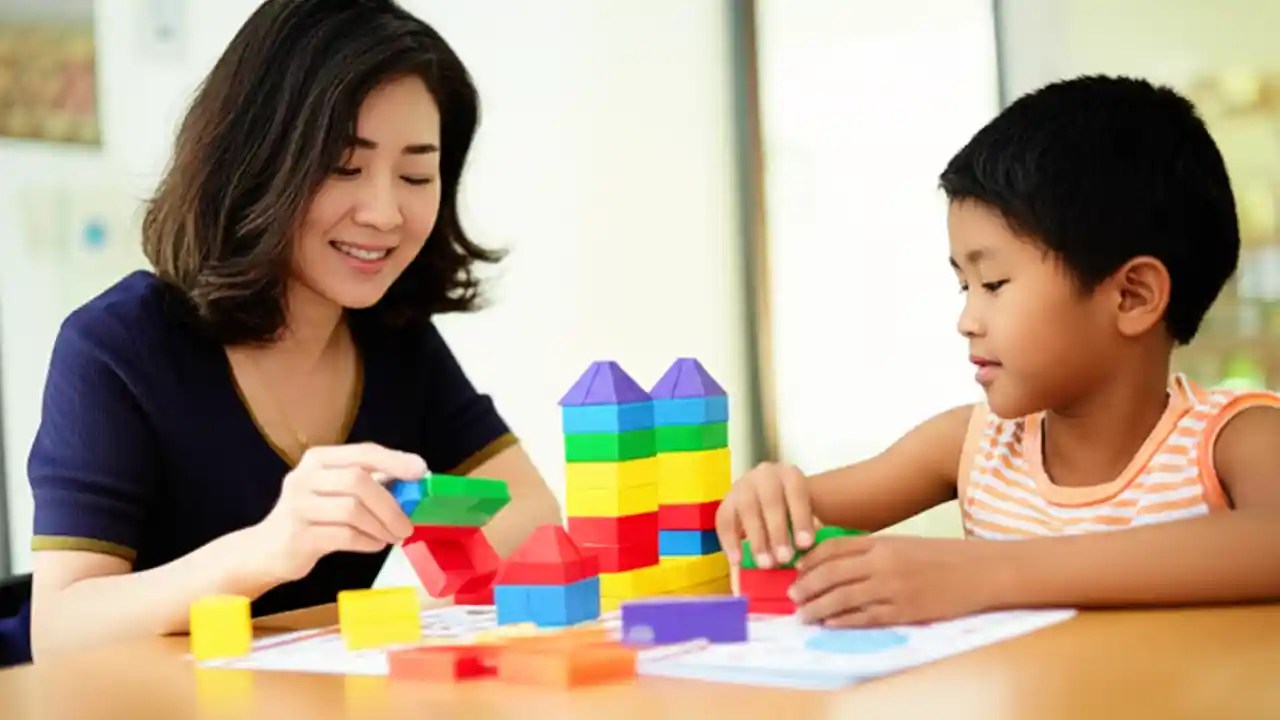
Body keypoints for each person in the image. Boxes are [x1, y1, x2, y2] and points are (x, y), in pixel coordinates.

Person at [26, 0, 561, 659]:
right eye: (344, 167)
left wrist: (428, 531)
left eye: (417, 175)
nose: (386, 212)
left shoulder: (394, 338)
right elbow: (60, 627)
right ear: (257, 160)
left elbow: (530, 518)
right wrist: (270, 547)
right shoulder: (118, 347)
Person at [717, 75, 1280, 628]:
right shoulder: (970, 445)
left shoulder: (1235, 439)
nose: (967, 321)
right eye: (965, 287)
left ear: (1131, 296)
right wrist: (766, 498)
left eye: (993, 284)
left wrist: (985, 573)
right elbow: (789, 516)